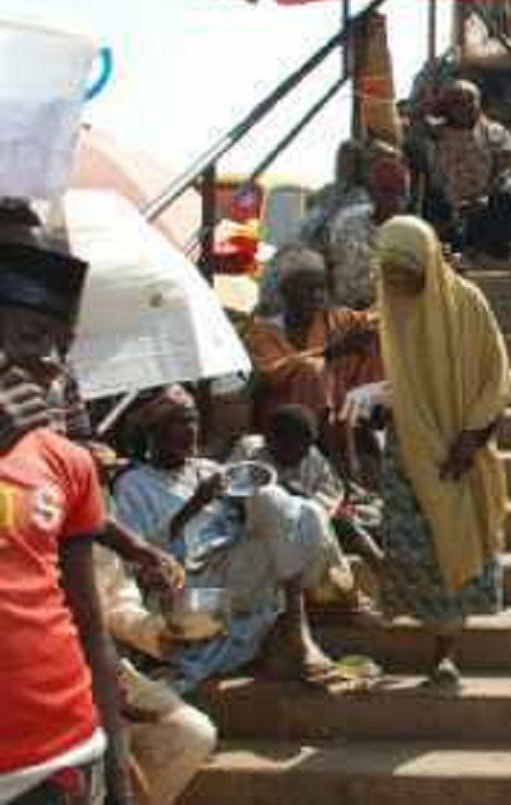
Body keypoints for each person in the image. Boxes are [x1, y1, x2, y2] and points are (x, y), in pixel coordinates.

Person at [0, 246, 135, 805]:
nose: (53, 363)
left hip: (59, 755)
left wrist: (117, 766)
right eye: (33, 336)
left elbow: (88, 621)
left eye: (64, 345)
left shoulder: (68, 462)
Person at [362, 217, 511, 691]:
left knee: (453, 543)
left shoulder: (467, 303)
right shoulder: (391, 303)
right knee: (415, 550)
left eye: (407, 273)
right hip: (406, 450)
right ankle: (429, 633)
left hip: (457, 449)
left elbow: (497, 379)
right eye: (391, 274)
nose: (399, 284)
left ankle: (445, 652)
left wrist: (470, 440)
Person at [113, 385, 349, 690]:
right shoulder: (133, 485)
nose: (190, 430)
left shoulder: (209, 469)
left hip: (232, 568)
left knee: (299, 509)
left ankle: (296, 626)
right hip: (187, 585)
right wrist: (194, 504)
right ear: (153, 431)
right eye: (178, 422)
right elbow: (140, 561)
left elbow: (248, 518)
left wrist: (240, 505)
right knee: (278, 508)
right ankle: (293, 629)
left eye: (193, 420)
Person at [94, 545, 216, 805]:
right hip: (50, 680)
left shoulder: (99, 540)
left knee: (191, 735)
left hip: (110, 671)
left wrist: (157, 631)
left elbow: (118, 605)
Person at [242, 247, 382, 451]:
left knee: (375, 341)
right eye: (308, 288)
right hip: (285, 421)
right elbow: (271, 374)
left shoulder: (339, 319)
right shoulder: (262, 333)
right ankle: (320, 447)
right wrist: (329, 352)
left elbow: (378, 319)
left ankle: (364, 426)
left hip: (338, 416)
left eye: (322, 288)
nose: (318, 295)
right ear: (286, 290)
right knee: (311, 370)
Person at [229, 403, 384, 566]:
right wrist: (282, 495)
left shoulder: (311, 455)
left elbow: (330, 492)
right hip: (260, 528)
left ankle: (379, 563)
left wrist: (307, 499)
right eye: (292, 449)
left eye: (305, 449)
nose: (302, 456)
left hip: (308, 523)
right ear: (271, 440)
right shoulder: (250, 451)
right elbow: (233, 495)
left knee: (349, 525)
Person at [427, 79, 511, 265]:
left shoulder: (495, 132)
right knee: (433, 202)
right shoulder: (435, 135)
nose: (463, 107)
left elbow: (502, 171)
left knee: (508, 193)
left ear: (479, 103)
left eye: (469, 101)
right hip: (450, 203)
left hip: (485, 199)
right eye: (456, 102)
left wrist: (483, 196)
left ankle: (491, 252)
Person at [326, 152, 410, 309]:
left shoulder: (410, 234)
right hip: (345, 311)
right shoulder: (347, 222)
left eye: (402, 194)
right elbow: (330, 263)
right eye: (388, 192)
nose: (396, 201)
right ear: (372, 193)